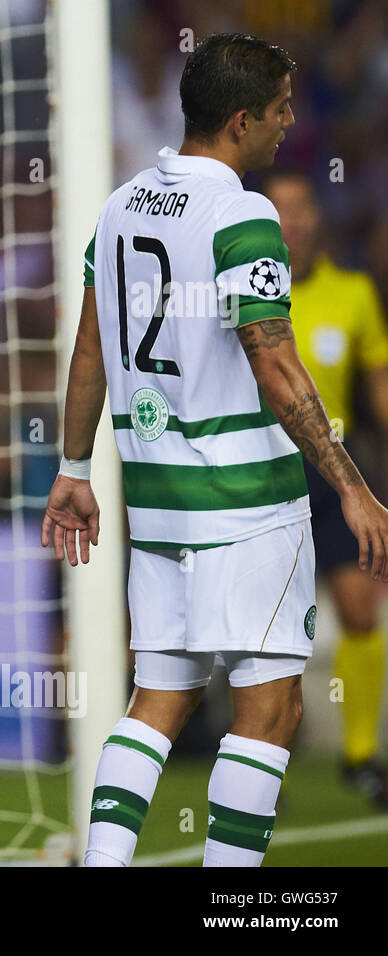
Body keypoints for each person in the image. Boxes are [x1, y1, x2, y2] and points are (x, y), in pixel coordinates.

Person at [42, 33, 388, 866]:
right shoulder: (244, 215)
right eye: (278, 111)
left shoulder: (120, 207)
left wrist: (74, 467)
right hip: (249, 503)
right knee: (268, 712)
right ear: (240, 121)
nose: (288, 124)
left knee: (157, 698)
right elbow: (274, 358)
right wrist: (350, 484)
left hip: (159, 505)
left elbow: (89, 346)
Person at [263, 171, 388, 808]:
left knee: (360, 609)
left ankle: (362, 756)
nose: (295, 221)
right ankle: (263, 754)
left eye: (303, 208)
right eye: (282, 210)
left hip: (334, 473)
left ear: (317, 218)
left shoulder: (353, 293)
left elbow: (380, 389)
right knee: (266, 631)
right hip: (265, 470)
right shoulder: (250, 290)